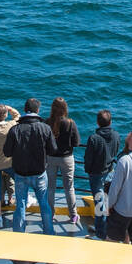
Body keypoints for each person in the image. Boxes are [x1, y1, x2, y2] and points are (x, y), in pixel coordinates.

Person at [3, 98, 56, 235]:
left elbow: (7, 152)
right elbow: (53, 149)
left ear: (25, 110)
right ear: (37, 110)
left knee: (20, 204)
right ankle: (49, 232)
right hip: (39, 173)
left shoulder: (15, 130)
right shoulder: (45, 128)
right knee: (44, 203)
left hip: (21, 173)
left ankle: (19, 233)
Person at [84, 110, 120, 240]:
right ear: (110, 122)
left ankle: (101, 233)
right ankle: (102, 228)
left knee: (100, 203)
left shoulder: (94, 138)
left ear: (98, 123)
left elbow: (89, 158)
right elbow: (116, 150)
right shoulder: (116, 135)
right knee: (105, 201)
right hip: (110, 171)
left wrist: (88, 169)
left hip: (97, 174)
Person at [45, 97, 80, 226]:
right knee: (69, 188)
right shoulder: (70, 123)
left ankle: (50, 214)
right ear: (65, 109)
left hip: (50, 158)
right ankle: (73, 215)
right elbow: (76, 143)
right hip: (66, 159)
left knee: (50, 188)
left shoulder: (47, 122)